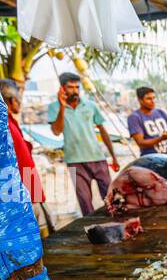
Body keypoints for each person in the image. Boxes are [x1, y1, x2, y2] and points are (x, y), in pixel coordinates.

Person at [48, 71, 118, 216]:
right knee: (85, 202)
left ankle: (117, 222)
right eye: (70, 87)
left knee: (111, 197)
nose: (75, 91)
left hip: (97, 157)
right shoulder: (54, 107)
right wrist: (62, 107)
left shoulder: (90, 105)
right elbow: (56, 131)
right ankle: (92, 230)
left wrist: (113, 156)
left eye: (77, 87)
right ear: (62, 88)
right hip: (74, 161)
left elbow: (103, 131)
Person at [0, 78, 44, 206]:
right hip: (23, 195)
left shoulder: (9, 122)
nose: (20, 103)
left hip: (29, 191)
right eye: (19, 99)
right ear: (12, 100)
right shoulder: (5, 125)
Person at [127, 86, 167, 155]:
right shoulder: (134, 117)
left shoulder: (160, 112)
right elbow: (141, 143)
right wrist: (162, 138)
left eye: (153, 98)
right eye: (148, 99)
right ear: (140, 100)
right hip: (152, 158)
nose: (153, 101)